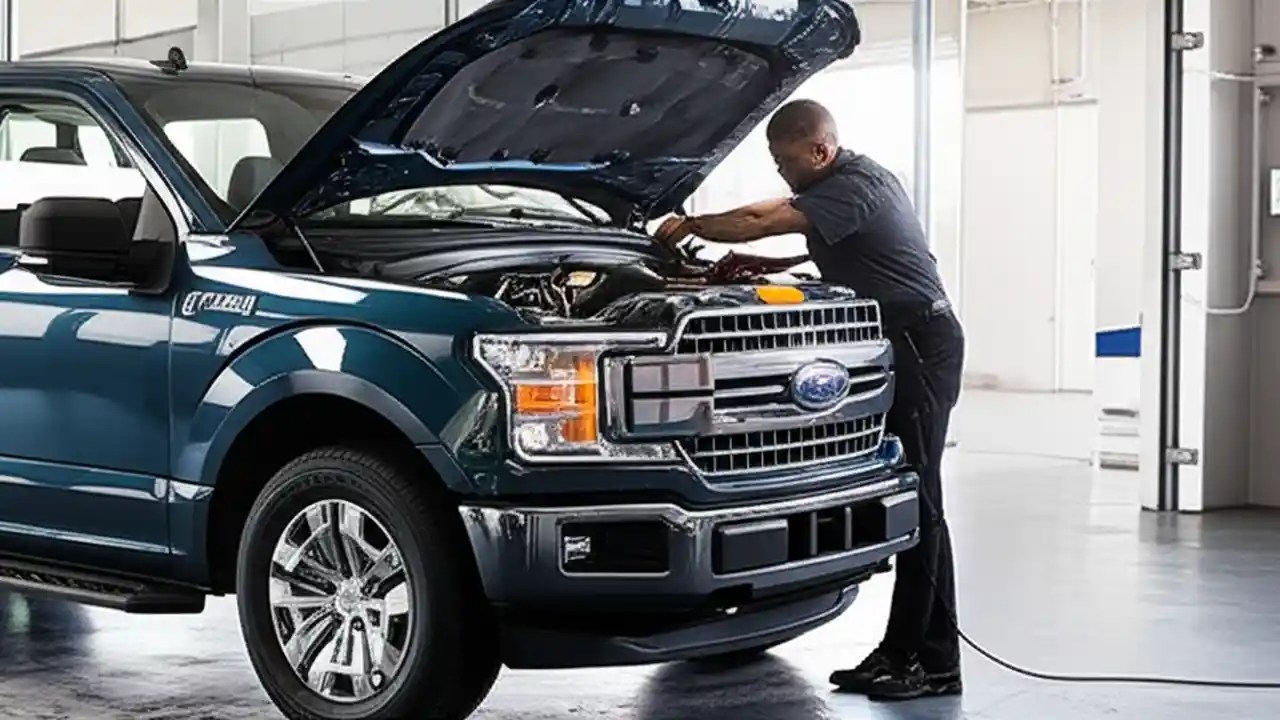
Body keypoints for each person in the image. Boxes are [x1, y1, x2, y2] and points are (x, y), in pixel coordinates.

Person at [653, 99, 966, 701]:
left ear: (819, 151)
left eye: (783, 161)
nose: (780, 173)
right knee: (903, 489)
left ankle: (933, 662)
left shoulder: (855, 184)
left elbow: (760, 219)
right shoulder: (843, 187)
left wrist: (692, 225)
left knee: (921, 501)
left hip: (922, 344)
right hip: (895, 342)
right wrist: (753, 267)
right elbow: (828, 249)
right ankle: (899, 650)